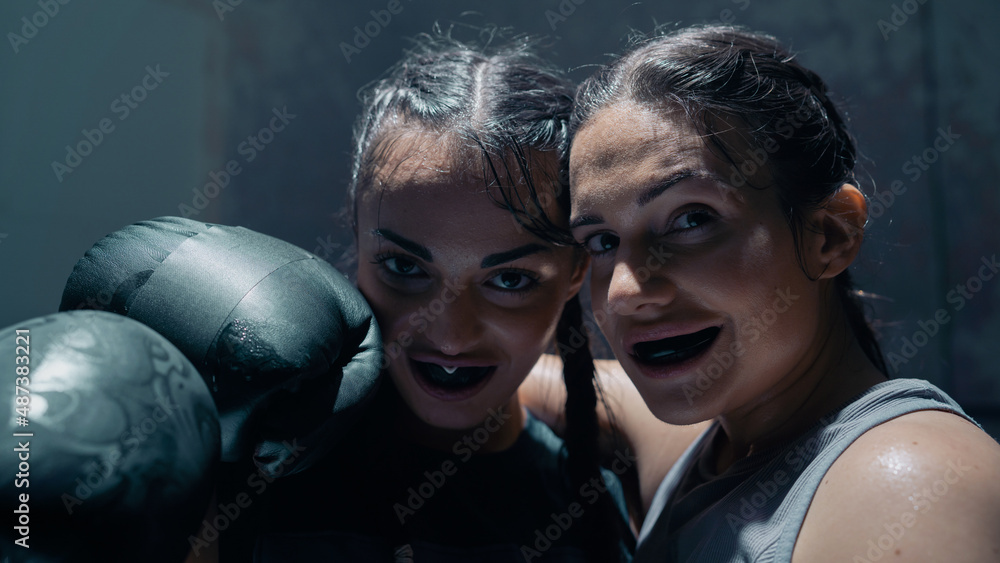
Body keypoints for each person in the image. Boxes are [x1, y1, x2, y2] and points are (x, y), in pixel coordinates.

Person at [561, 24, 1000, 562]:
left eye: (691, 219)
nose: (624, 292)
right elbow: (531, 377)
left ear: (830, 235)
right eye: (602, 241)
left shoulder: (909, 485)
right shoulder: (713, 444)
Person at [251, 30, 634, 562]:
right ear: (358, 238)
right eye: (405, 267)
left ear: (576, 271)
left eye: (510, 279)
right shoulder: (253, 471)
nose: (451, 335)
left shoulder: (595, 515)